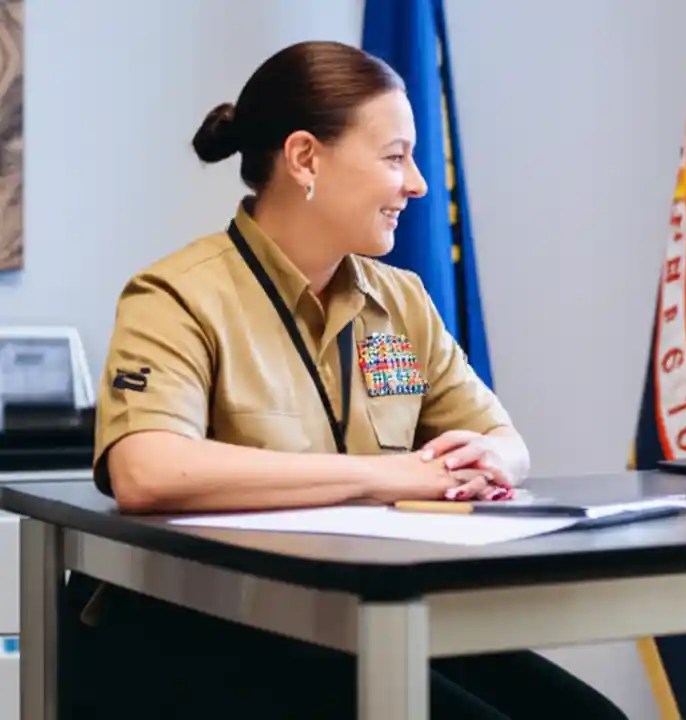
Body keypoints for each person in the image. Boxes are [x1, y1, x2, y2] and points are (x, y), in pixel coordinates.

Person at [68, 40, 626, 720]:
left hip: (355, 616)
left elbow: (504, 442)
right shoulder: (176, 295)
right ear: (306, 158)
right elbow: (146, 472)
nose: (417, 184)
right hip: (209, 632)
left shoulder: (402, 299)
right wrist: (387, 476)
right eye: (395, 157)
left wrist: (491, 459)